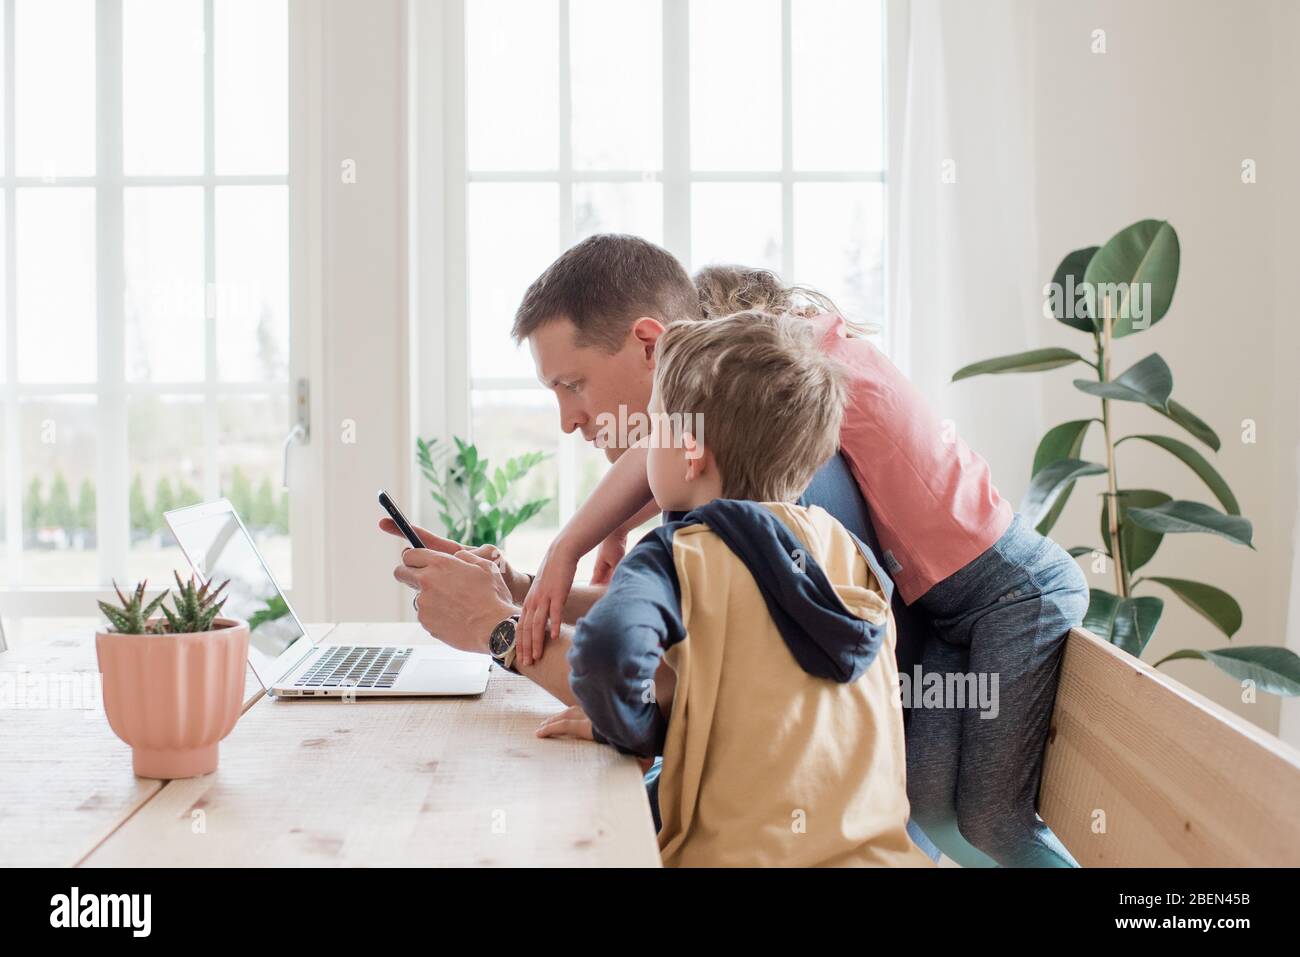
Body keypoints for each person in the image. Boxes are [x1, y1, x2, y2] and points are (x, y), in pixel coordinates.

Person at [518, 258, 1089, 868]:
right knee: (928, 796)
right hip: (949, 609)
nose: (578, 418)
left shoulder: (793, 358)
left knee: (992, 816)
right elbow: (685, 456)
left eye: (572, 385)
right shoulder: (780, 503)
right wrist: (598, 543)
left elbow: (678, 445)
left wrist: (570, 547)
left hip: (1013, 590)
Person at [539, 311, 933, 866]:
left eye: (654, 431)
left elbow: (605, 651)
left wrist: (637, 731)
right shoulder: (854, 556)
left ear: (691, 450)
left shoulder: (676, 555)